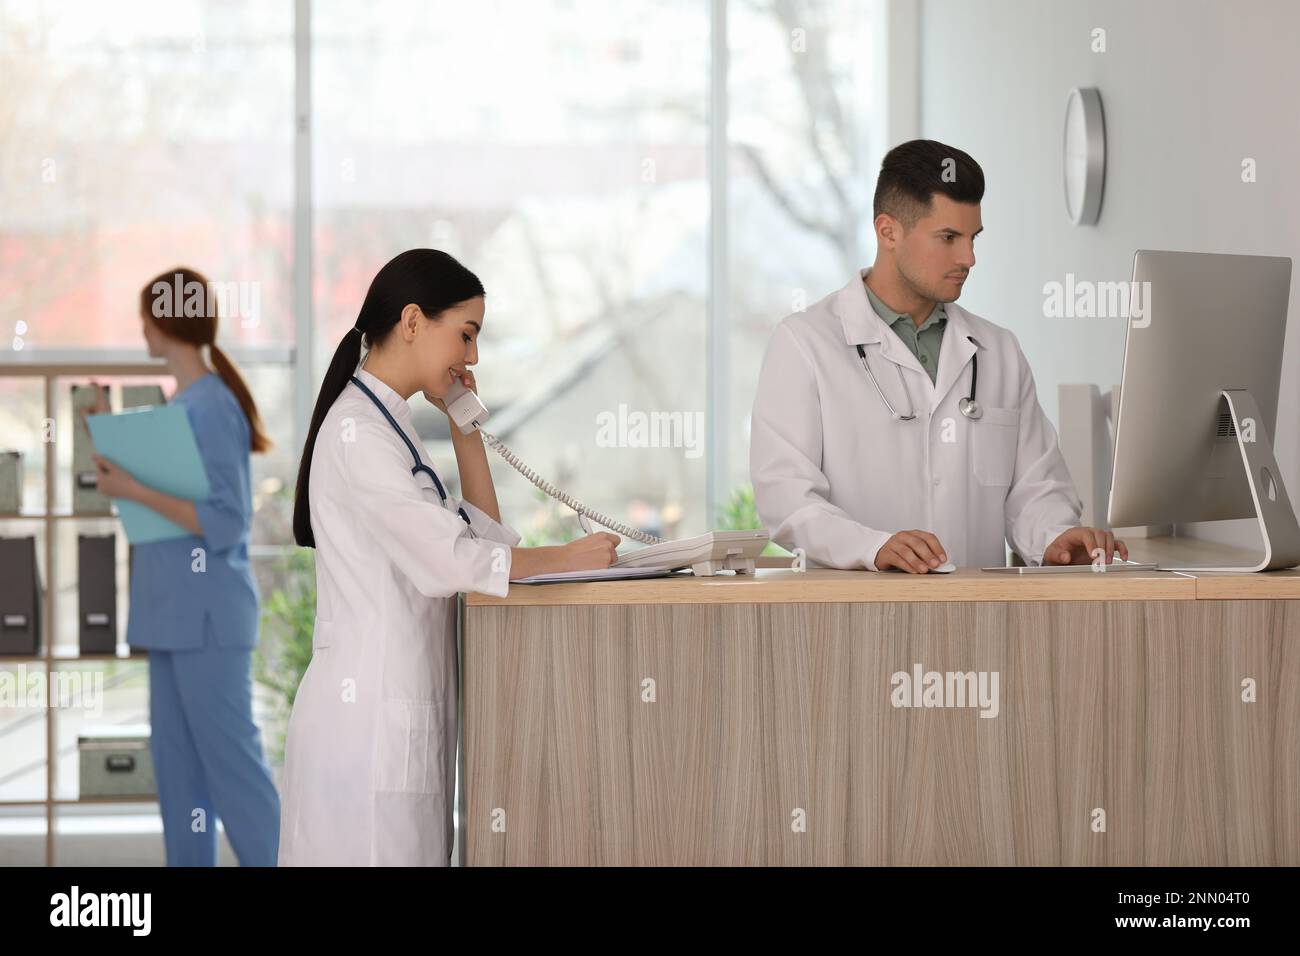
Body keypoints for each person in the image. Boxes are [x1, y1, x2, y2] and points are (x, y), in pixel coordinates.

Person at [278, 249, 619, 866]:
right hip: (367, 729)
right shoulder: (358, 433)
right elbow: (451, 561)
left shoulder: (392, 425)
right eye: (466, 335)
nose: (473, 357)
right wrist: (569, 555)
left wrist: (466, 429)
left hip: (397, 720)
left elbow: (480, 540)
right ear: (413, 321)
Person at [750, 140, 1128, 572]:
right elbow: (787, 500)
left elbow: (1036, 489)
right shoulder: (805, 344)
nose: (968, 258)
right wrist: (872, 547)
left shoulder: (998, 351)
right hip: (854, 622)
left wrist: (1056, 538)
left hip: (976, 620)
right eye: (948, 237)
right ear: (888, 231)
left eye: (973, 238)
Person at [91, 266, 281, 865]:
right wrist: (125, 472)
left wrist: (136, 487)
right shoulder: (183, 406)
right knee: (179, 783)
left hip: (207, 623)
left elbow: (227, 521)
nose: (141, 327)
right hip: (169, 616)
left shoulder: (213, 407)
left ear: (164, 322)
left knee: (233, 773)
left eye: (146, 315)